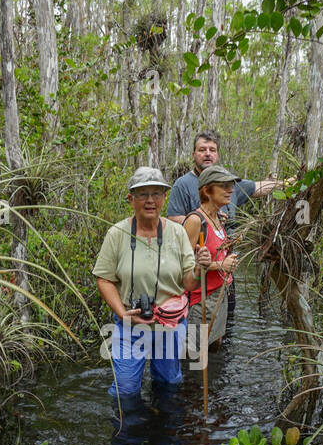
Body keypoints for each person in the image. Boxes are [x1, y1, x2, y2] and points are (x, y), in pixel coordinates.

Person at [93, 166, 212, 398]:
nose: (150, 201)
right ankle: (129, 432)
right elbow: (104, 279)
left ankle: (163, 430)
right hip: (130, 324)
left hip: (170, 325)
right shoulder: (117, 234)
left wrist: (199, 268)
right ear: (131, 199)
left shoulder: (177, 233)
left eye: (156, 194)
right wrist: (122, 312)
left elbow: (190, 283)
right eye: (142, 194)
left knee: (168, 385)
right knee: (125, 391)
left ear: (164, 198)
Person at [167, 131, 289, 329]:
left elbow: (259, 187)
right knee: (198, 338)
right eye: (202, 150)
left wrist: (288, 184)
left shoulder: (229, 185)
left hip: (226, 272)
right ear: (193, 154)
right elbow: (173, 220)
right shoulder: (183, 185)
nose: (207, 154)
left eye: (212, 150)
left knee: (225, 327)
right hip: (201, 277)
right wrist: (207, 220)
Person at [181, 165, 240, 361]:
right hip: (200, 300)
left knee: (214, 349)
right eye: (223, 186)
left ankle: (214, 390)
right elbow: (183, 267)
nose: (230, 189)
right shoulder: (195, 221)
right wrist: (220, 266)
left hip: (220, 295)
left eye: (230, 185)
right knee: (194, 357)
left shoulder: (218, 219)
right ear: (207, 190)